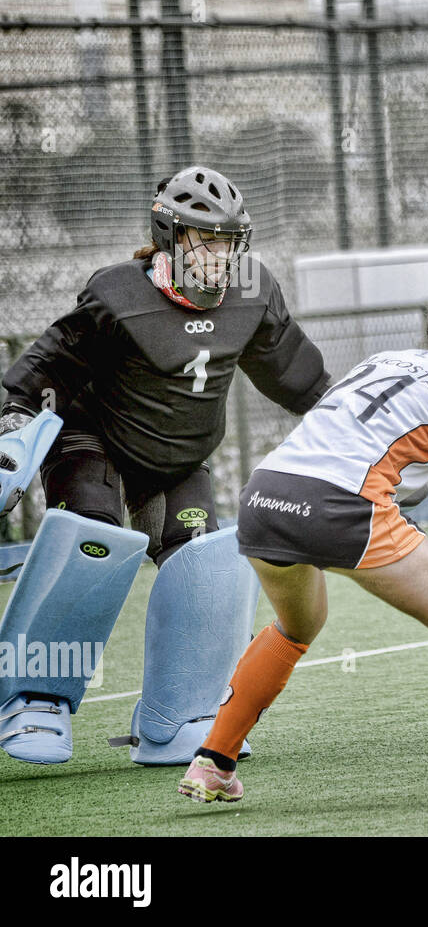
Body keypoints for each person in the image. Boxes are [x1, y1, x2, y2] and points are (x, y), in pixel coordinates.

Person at [178, 256, 428, 806]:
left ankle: (213, 762)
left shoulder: (384, 361)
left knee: (298, 624)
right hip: (337, 506)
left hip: (264, 496)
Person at [0, 165, 330, 765]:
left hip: (180, 458)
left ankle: (179, 715)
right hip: (93, 441)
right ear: (171, 238)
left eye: (229, 241)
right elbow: (40, 374)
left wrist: (361, 434)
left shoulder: (253, 293)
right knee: (92, 543)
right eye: (206, 239)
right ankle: (34, 699)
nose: (220, 255)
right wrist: (13, 431)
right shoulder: (116, 295)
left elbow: (301, 380)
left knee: (204, 562)